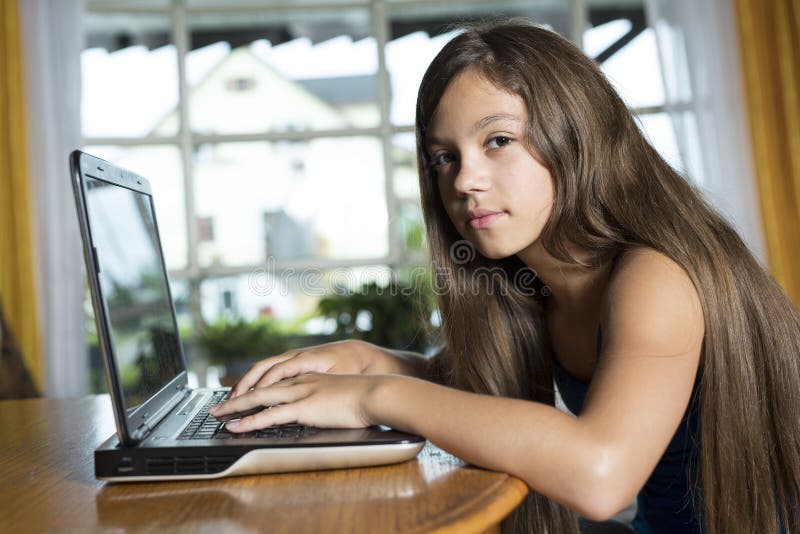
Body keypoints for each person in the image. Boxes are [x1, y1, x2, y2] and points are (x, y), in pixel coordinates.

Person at [210, 19, 800, 534]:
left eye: (498, 141)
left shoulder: (655, 278)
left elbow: (602, 476)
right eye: (445, 157)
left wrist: (373, 397)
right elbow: (481, 392)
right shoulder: (533, 283)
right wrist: (373, 361)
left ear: (576, 136)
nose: (464, 180)